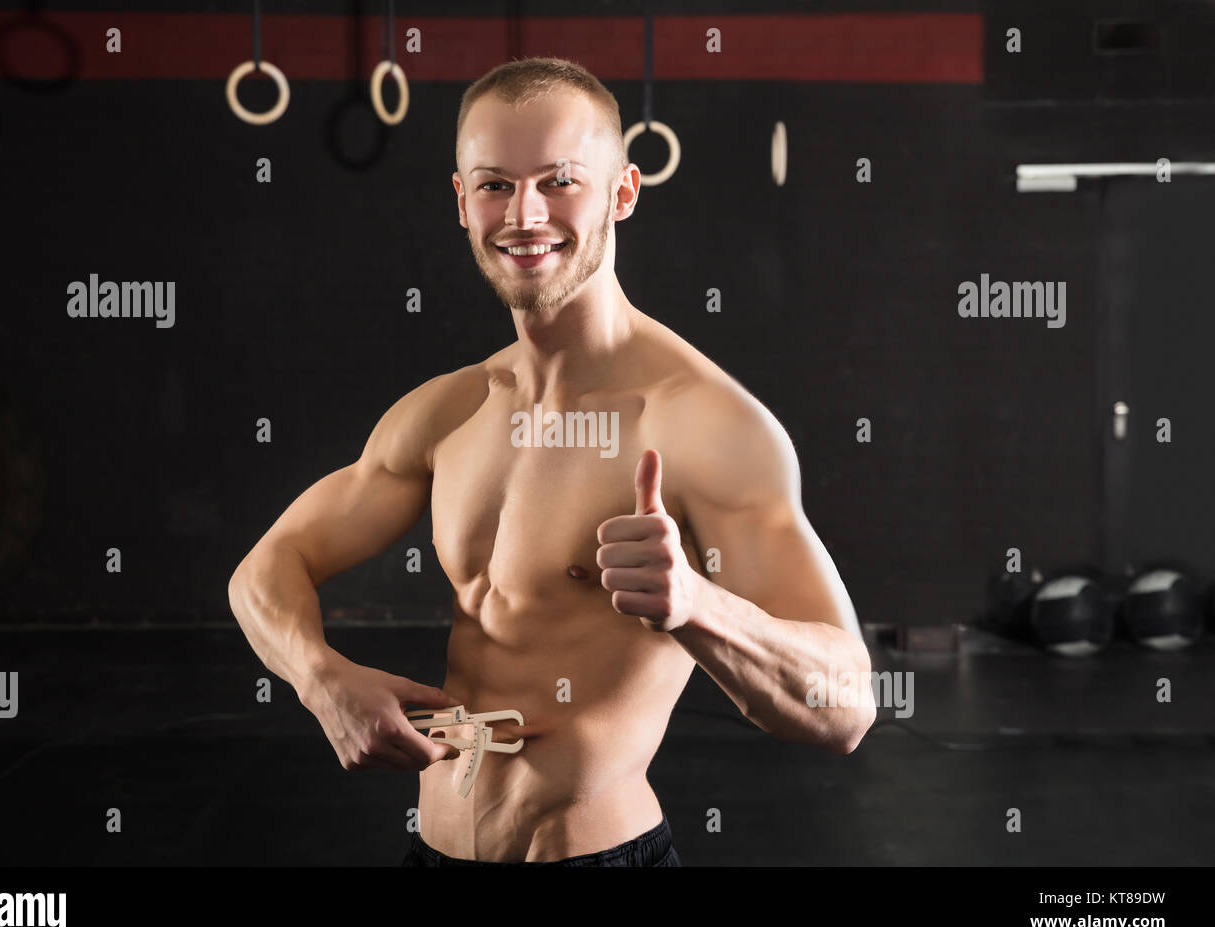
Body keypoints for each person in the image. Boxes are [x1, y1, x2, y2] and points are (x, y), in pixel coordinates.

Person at [228, 57, 874, 866]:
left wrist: (699, 605)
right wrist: (321, 679)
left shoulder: (705, 422)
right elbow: (264, 570)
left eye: (560, 181)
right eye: (495, 184)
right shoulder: (449, 409)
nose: (524, 214)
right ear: (463, 202)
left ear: (623, 193)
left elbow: (846, 707)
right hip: (433, 851)